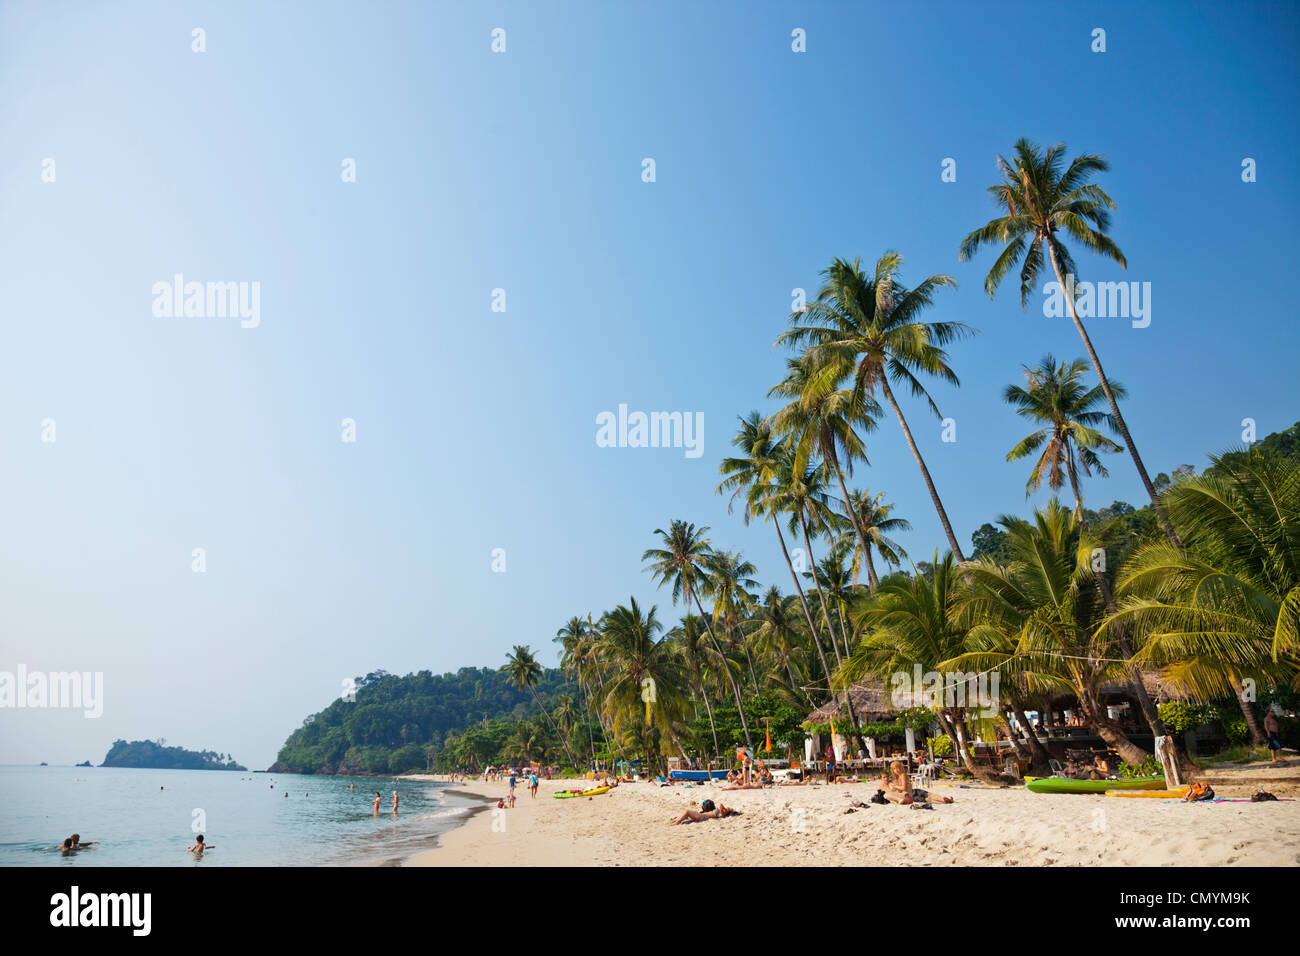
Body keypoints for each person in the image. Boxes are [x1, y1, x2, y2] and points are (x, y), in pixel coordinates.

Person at [882, 761, 953, 805]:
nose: (896, 770)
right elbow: (902, 789)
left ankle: (944, 800)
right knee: (928, 797)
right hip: (911, 794)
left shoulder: (902, 775)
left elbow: (904, 788)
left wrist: (895, 787)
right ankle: (943, 800)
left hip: (911, 794)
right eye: (894, 769)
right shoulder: (899, 777)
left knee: (928, 797)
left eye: (897, 768)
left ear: (900, 768)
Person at [669, 800, 739, 825]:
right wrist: (726, 809)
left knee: (687, 811)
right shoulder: (721, 812)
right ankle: (675, 820)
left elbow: (721, 805)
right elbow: (721, 806)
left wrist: (725, 809)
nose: (727, 807)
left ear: (727, 812)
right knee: (686, 812)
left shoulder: (721, 813)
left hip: (702, 817)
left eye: (728, 808)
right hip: (702, 815)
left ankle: (676, 822)